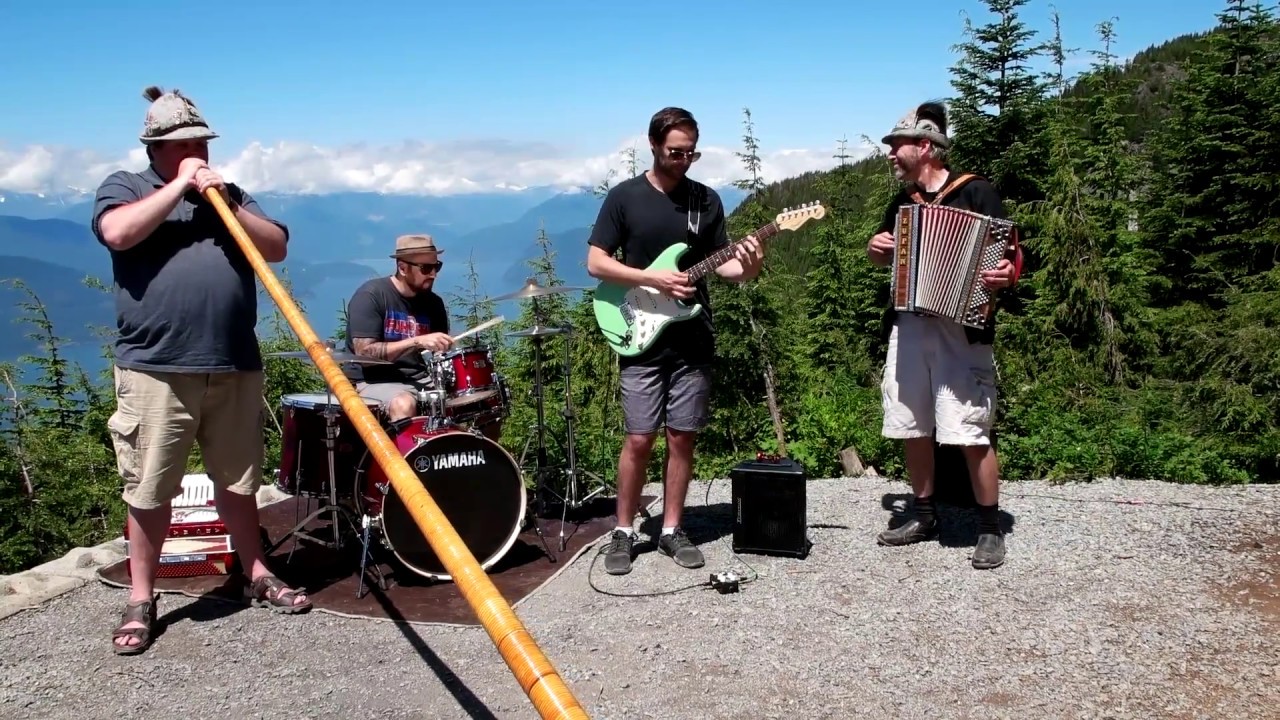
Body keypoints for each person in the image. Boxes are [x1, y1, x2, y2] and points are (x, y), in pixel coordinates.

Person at [93, 86, 309, 655]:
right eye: (184, 144)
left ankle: (257, 572)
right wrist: (179, 189)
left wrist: (226, 202)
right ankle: (142, 597)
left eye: (201, 142)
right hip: (156, 368)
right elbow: (117, 233)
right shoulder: (127, 188)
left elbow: (277, 247)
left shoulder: (230, 194)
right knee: (149, 487)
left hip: (233, 362)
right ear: (154, 148)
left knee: (238, 482)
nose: (197, 151)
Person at [586, 106, 765, 576]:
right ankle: (623, 531)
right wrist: (653, 278)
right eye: (675, 152)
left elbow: (724, 267)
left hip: (693, 338)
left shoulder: (705, 201)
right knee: (640, 437)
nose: (684, 160)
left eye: (692, 152)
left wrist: (751, 262)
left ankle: (671, 529)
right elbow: (597, 263)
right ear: (653, 145)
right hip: (640, 335)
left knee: (682, 437)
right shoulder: (624, 198)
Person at [865, 100, 1022, 570]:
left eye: (898, 147)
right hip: (910, 323)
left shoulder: (977, 193)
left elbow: (1012, 258)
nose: (891, 154)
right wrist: (876, 249)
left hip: (961, 328)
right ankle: (924, 513)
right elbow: (882, 255)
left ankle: (989, 527)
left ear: (926, 147)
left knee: (970, 427)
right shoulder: (903, 203)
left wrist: (1004, 277)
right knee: (913, 422)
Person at [344, 235, 509, 441]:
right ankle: (404, 471)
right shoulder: (371, 296)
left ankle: (481, 466)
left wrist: (446, 349)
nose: (433, 275)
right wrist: (417, 341)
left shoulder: (434, 304)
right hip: (374, 380)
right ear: (403, 268)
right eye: (425, 268)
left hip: (419, 378)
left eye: (436, 267)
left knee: (487, 404)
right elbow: (364, 354)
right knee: (403, 404)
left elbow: (439, 357)